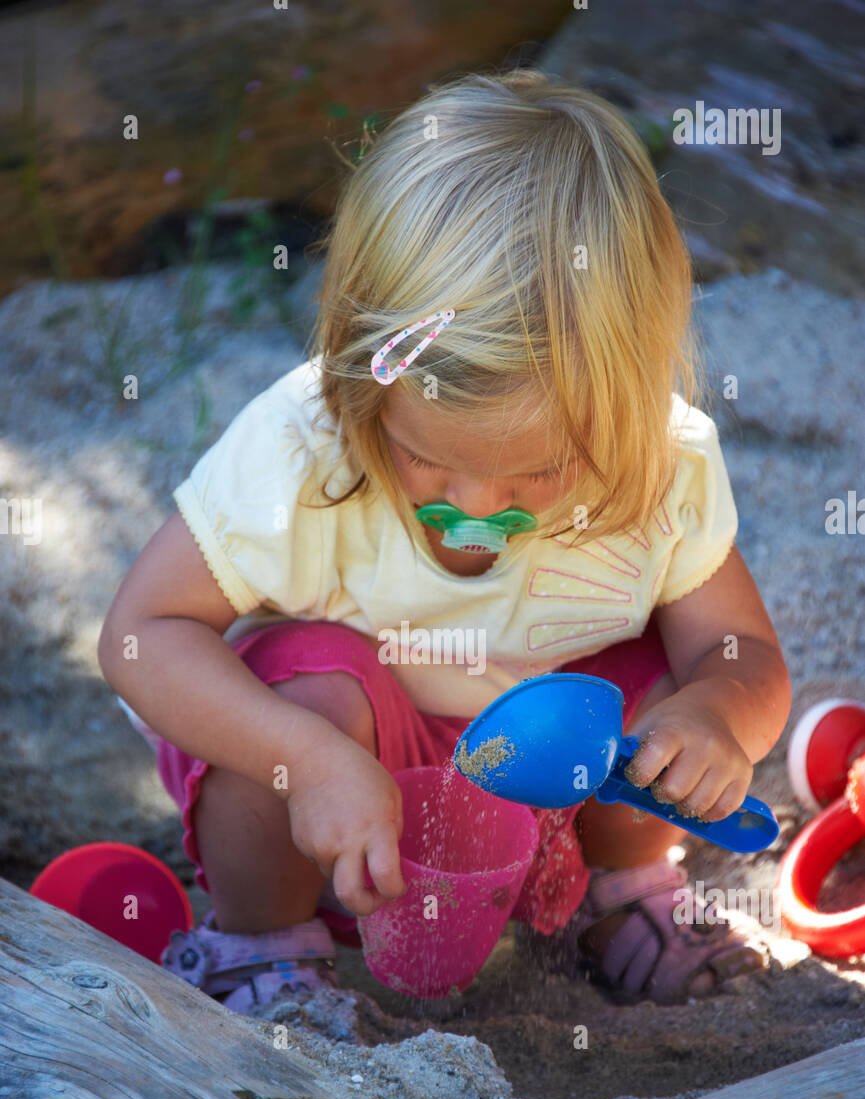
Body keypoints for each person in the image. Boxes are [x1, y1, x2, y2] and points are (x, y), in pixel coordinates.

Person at [98, 71, 791, 1014]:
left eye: (539, 475)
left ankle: (620, 890)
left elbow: (735, 649)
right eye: (425, 457)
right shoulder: (307, 448)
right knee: (305, 683)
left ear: (626, 416)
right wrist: (302, 758)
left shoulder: (652, 464)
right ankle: (261, 946)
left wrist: (718, 718)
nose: (475, 507)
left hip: (549, 784)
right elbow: (143, 633)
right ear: (359, 375)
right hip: (354, 782)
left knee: (660, 685)